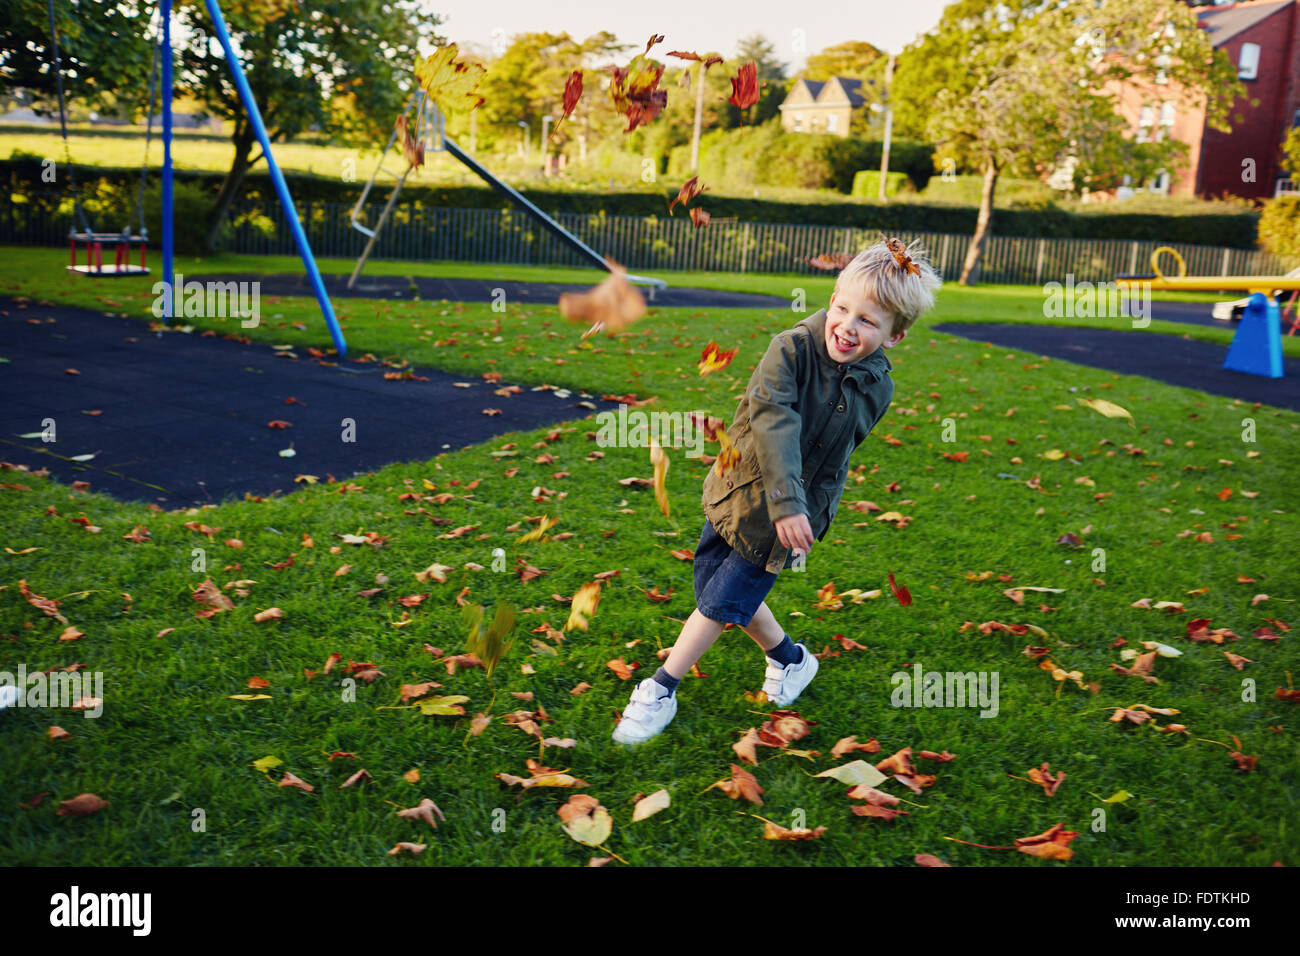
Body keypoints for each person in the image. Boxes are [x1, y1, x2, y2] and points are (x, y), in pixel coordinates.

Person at [612, 238, 942, 745]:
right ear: (831, 297)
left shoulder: (879, 387)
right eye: (842, 308)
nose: (847, 327)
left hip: (791, 518)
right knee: (715, 592)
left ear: (895, 336)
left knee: (720, 604)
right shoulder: (788, 350)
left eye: (868, 321)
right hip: (740, 491)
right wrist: (783, 498)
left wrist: (797, 508)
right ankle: (791, 660)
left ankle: (660, 689)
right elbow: (775, 422)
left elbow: (838, 451)